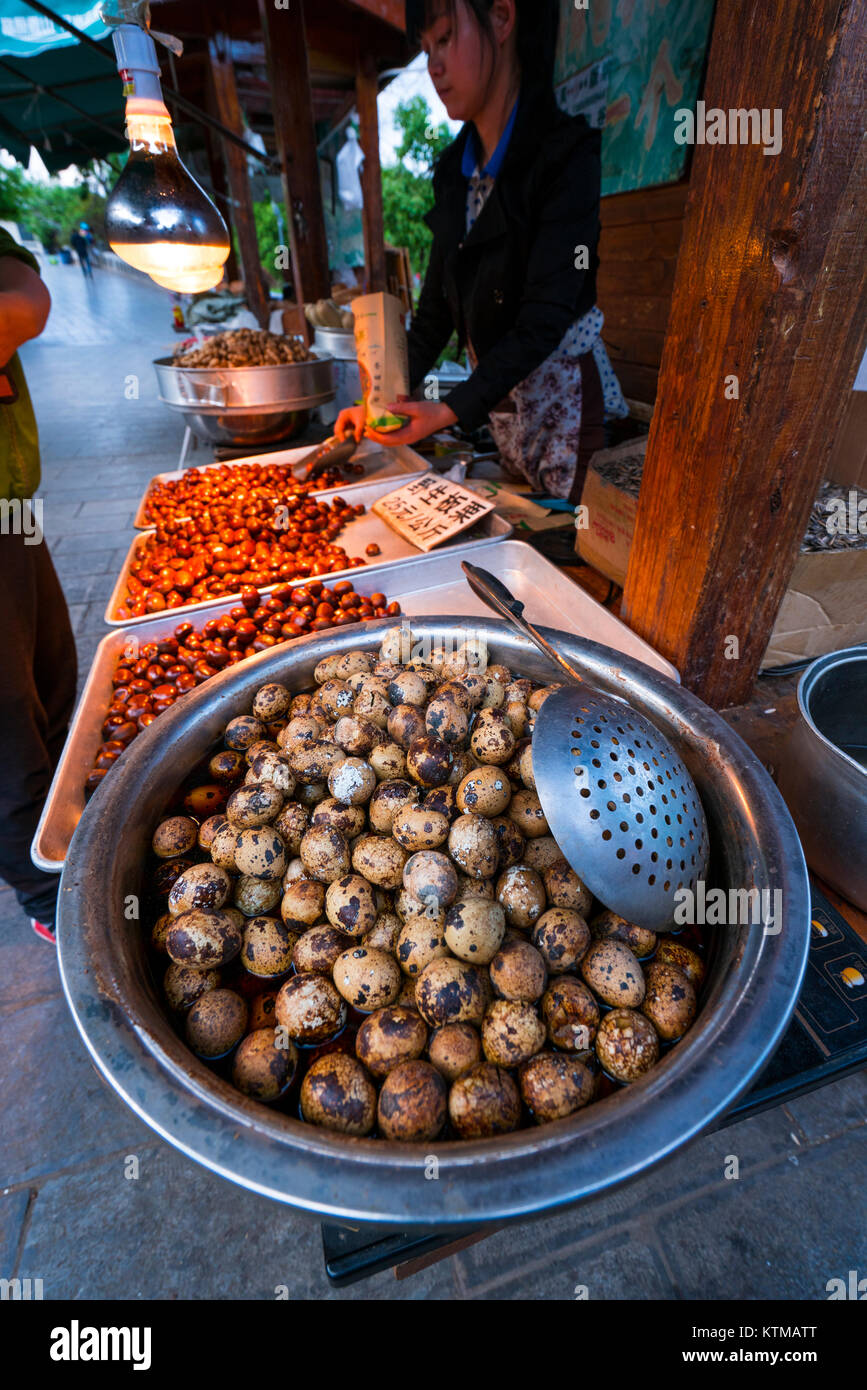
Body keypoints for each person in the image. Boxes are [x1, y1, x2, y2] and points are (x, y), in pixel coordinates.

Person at [336, 0, 627, 500]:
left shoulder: (565, 154)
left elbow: (544, 318)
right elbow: (433, 321)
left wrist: (446, 411)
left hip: (572, 415)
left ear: (502, 17)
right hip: (502, 417)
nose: (434, 67)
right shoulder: (454, 172)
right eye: (426, 50)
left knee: (574, 539)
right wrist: (379, 401)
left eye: (445, 38)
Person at [0, 227, 77, 942]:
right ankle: (45, 894)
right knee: (4, 717)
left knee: (51, 676)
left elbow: (26, 303)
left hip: (10, 498)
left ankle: (65, 836)